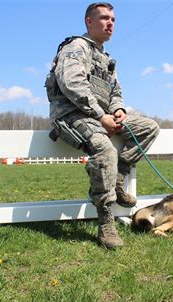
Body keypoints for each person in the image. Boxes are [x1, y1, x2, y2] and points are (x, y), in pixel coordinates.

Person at [45, 2, 159, 249]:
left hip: (100, 115)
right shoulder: (76, 47)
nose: (111, 24)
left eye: (114, 19)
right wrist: (100, 116)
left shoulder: (106, 58)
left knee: (149, 127)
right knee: (105, 149)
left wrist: (117, 109)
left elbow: (115, 90)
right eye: (105, 18)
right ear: (89, 21)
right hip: (71, 116)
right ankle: (106, 220)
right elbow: (72, 83)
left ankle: (118, 175)